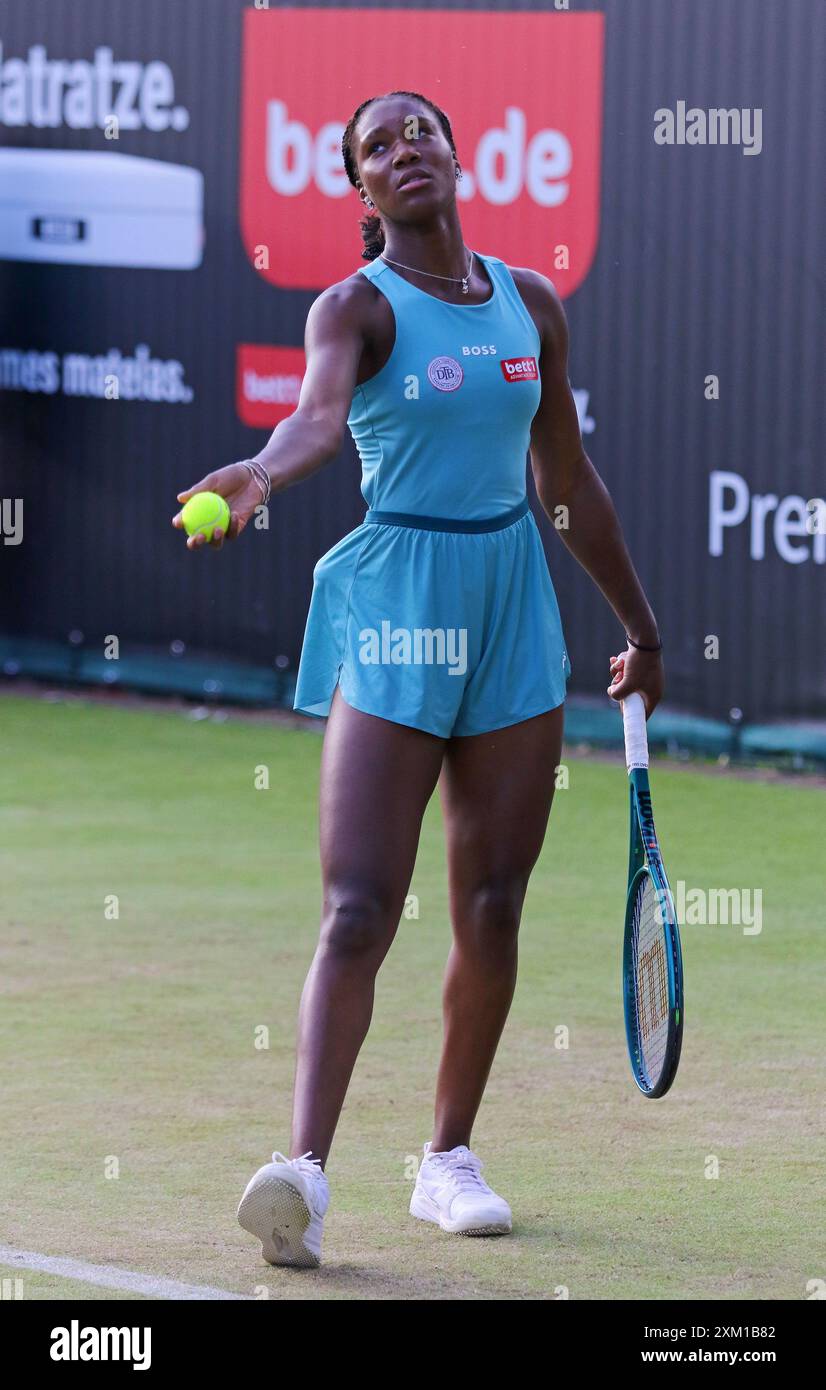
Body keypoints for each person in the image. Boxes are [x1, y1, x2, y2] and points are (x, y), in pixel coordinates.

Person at [173, 90, 664, 1269]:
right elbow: (314, 423)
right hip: (399, 607)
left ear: (455, 153)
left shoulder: (530, 302)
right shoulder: (353, 307)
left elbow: (567, 480)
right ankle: (300, 1174)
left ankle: (446, 1161)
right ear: (360, 189)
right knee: (358, 907)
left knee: (491, 902)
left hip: (511, 607)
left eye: (418, 133)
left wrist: (642, 629)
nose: (403, 153)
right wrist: (260, 476)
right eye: (376, 147)